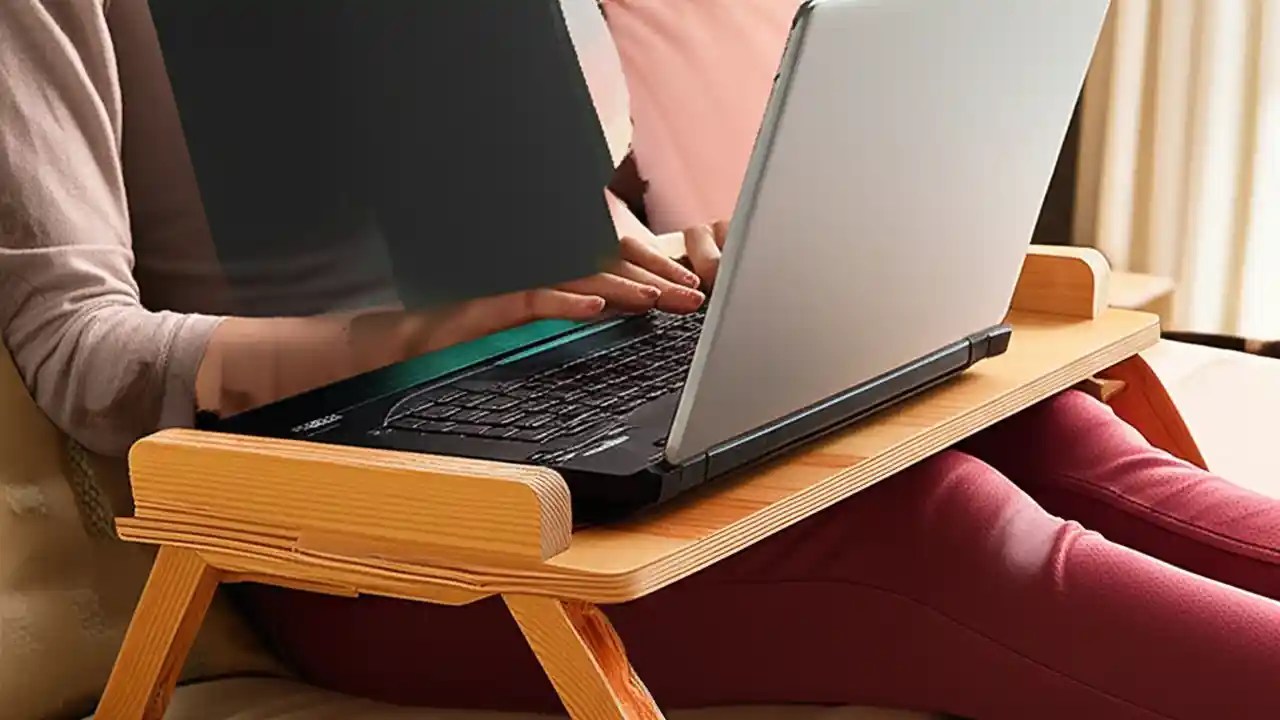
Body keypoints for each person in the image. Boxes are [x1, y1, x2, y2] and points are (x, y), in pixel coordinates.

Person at [1, 2, 1278, 720]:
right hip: (377, 541)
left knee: (1042, 436)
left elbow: (542, 206)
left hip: (583, 389)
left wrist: (695, 260)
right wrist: (433, 327)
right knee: (946, 530)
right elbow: (81, 353)